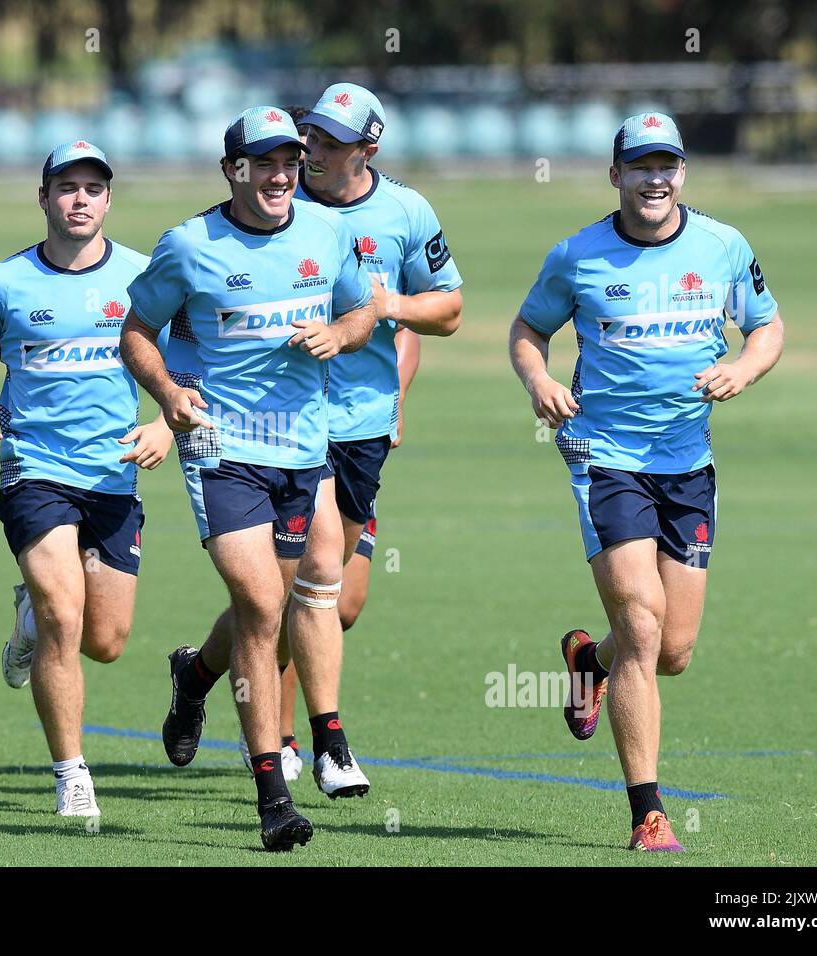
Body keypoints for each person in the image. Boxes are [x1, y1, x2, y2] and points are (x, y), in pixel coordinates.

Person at [509, 112, 784, 851]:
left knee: (673, 650)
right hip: (606, 457)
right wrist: (537, 379)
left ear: (682, 173)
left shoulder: (724, 247)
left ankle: (584, 661)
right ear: (616, 175)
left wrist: (744, 366)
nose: (655, 178)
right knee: (639, 621)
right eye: (640, 166)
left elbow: (766, 326)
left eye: (667, 165)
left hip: (688, 462)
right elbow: (528, 330)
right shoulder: (577, 256)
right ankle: (647, 811)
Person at [120, 107, 375, 851]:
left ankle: (195, 675)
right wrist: (168, 396)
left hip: (303, 451)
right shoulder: (189, 246)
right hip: (221, 448)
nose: (280, 175)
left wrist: (339, 333)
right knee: (264, 606)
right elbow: (135, 330)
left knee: (288, 602)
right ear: (233, 169)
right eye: (263, 163)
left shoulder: (325, 234)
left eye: (290, 162)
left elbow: (362, 311)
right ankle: (273, 794)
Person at [0, 141, 171, 817]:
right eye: (66, 187)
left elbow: (186, 360)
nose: (80, 199)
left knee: (105, 640)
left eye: (93, 188)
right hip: (34, 472)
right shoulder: (1, 284)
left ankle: (28, 622)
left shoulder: (143, 275)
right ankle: (72, 773)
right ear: (43, 198)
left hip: (114, 477)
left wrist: (166, 421)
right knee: (62, 615)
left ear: (108, 200)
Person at [258, 85, 461, 792]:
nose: (310, 150)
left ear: (366, 150)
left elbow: (446, 310)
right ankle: (294, 741)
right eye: (310, 134)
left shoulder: (407, 211)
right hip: (280, 422)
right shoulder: (278, 200)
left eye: (330, 142)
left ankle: (197, 672)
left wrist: (388, 308)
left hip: (361, 424)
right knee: (298, 585)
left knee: (338, 601)